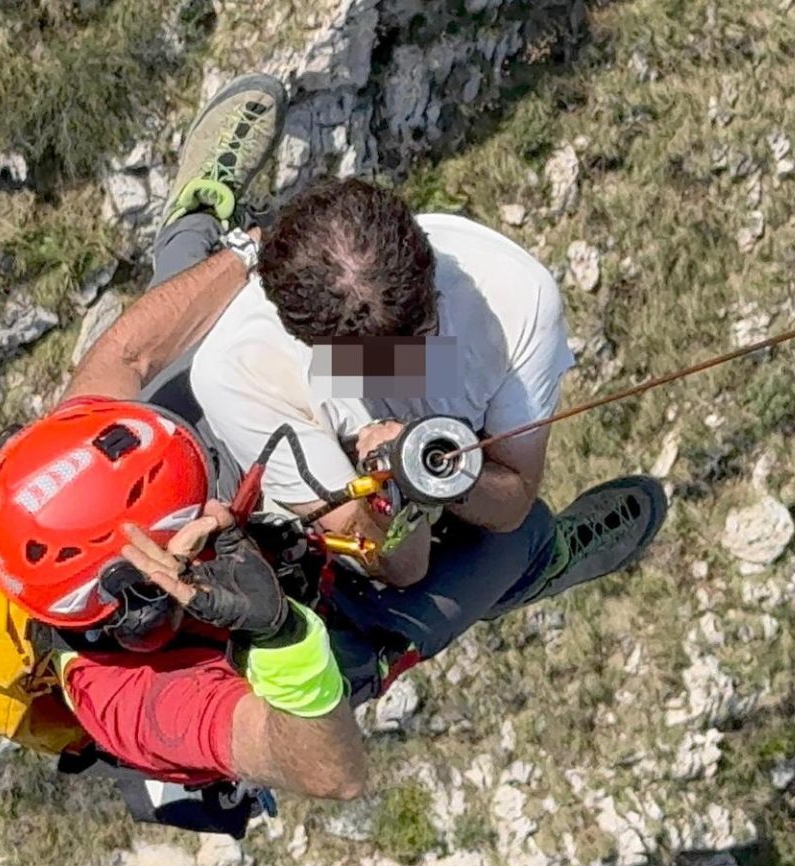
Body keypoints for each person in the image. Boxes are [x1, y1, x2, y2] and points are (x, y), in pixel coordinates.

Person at [0, 75, 369, 837]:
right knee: (442, 588)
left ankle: (198, 211)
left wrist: (251, 253)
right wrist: (282, 638)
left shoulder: (58, 493)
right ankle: (535, 561)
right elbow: (334, 775)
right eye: (199, 509)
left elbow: (126, 353)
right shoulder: (148, 706)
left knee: (186, 332)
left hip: (179, 520)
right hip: (270, 625)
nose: (216, 499)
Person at [187, 178, 666, 697]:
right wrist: (393, 491)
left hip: (434, 477)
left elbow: (513, 497)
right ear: (303, 338)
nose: (407, 372)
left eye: (424, 335)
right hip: (297, 524)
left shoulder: (514, 297)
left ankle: (528, 560)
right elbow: (404, 567)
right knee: (466, 579)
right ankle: (530, 567)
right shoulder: (241, 371)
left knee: (518, 529)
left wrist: (442, 473)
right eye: (373, 366)